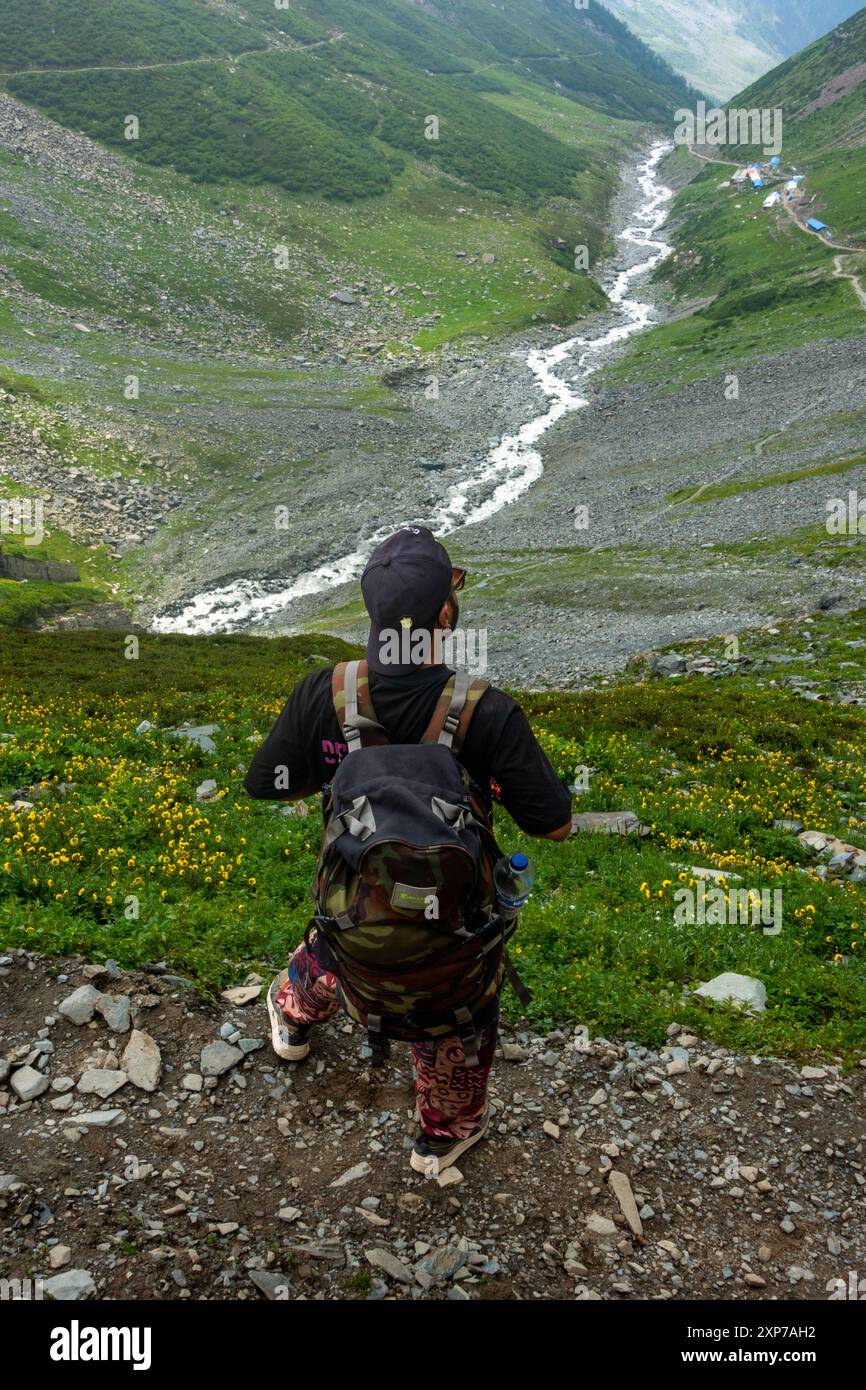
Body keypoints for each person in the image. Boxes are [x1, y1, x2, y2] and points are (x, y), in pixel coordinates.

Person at [244, 525, 572, 1173]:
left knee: (337, 941)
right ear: (445, 614)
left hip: (351, 915)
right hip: (453, 938)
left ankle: (294, 1014)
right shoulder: (487, 714)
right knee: (458, 997)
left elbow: (266, 785)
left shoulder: (322, 694)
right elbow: (554, 825)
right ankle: (442, 1134)